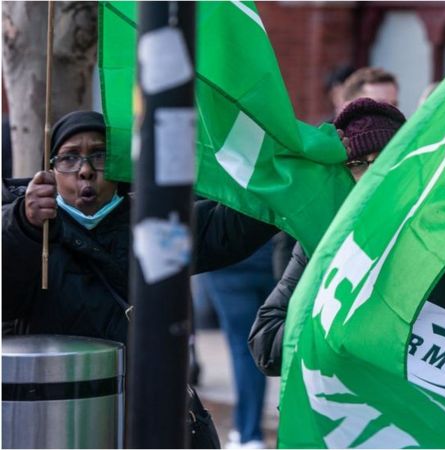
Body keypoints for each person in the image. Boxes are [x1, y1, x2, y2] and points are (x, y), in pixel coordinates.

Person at [2, 111, 280, 448]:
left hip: (146, 425)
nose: (86, 170)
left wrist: (282, 165)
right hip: (54, 424)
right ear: (48, 170)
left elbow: (236, 223)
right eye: (69, 157)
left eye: (100, 155)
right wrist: (25, 225)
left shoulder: (155, 225)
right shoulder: (27, 229)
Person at [248, 97, 445, 377]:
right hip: (354, 410)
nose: (372, 175)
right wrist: (340, 316)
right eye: (357, 164)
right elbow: (266, 343)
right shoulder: (325, 239)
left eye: (385, 161)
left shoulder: (438, 220)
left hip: (428, 410)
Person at [193, 241, 276, 449]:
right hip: (272, 258)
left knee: (244, 350)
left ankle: (249, 433)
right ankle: (252, 431)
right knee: (283, 344)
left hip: (229, 263)